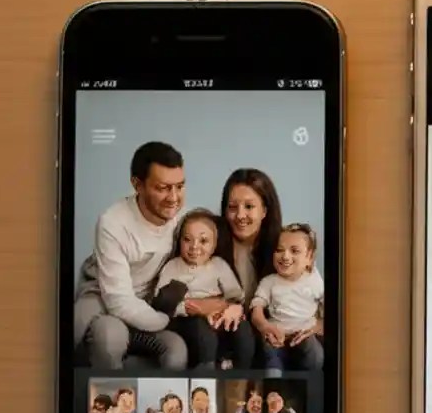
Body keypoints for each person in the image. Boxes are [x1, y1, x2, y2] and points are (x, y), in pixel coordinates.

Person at [72, 142, 188, 370]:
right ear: (137, 184)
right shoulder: (113, 222)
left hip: (145, 304)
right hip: (102, 294)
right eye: (163, 187)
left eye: (180, 186)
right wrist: (163, 320)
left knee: (177, 351)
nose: (174, 198)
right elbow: (117, 300)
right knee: (101, 336)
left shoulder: (184, 219)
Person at [153, 209, 248, 370]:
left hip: (218, 316)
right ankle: (206, 370)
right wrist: (193, 309)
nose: (194, 246)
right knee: (200, 329)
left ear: (213, 246)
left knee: (242, 329)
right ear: (180, 241)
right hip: (186, 320)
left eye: (203, 241)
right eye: (187, 240)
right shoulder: (173, 267)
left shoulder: (219, 265)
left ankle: (240, 369)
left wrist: (229, 309)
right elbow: (161, 303)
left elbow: (236, 295)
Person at [213, 169, 284, 368]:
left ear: (264, 210)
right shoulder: (210, 244)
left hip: (270, 334)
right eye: (233, 207)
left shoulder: (284, 247)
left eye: (249, 206)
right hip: (225, 332)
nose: (240, 215)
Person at [250, 224, 325, 376]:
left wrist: (317, 326)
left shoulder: (314, 281)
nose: (285, 256)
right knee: (269, 354)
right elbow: (256, 310)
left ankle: (309, 382)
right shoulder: (269, 282)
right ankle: (274, 379)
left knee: (315, 355)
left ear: (309, 258)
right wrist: (264, 326)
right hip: (276, 336)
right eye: (279, 250)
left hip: (303, 336)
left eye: (294, 251)